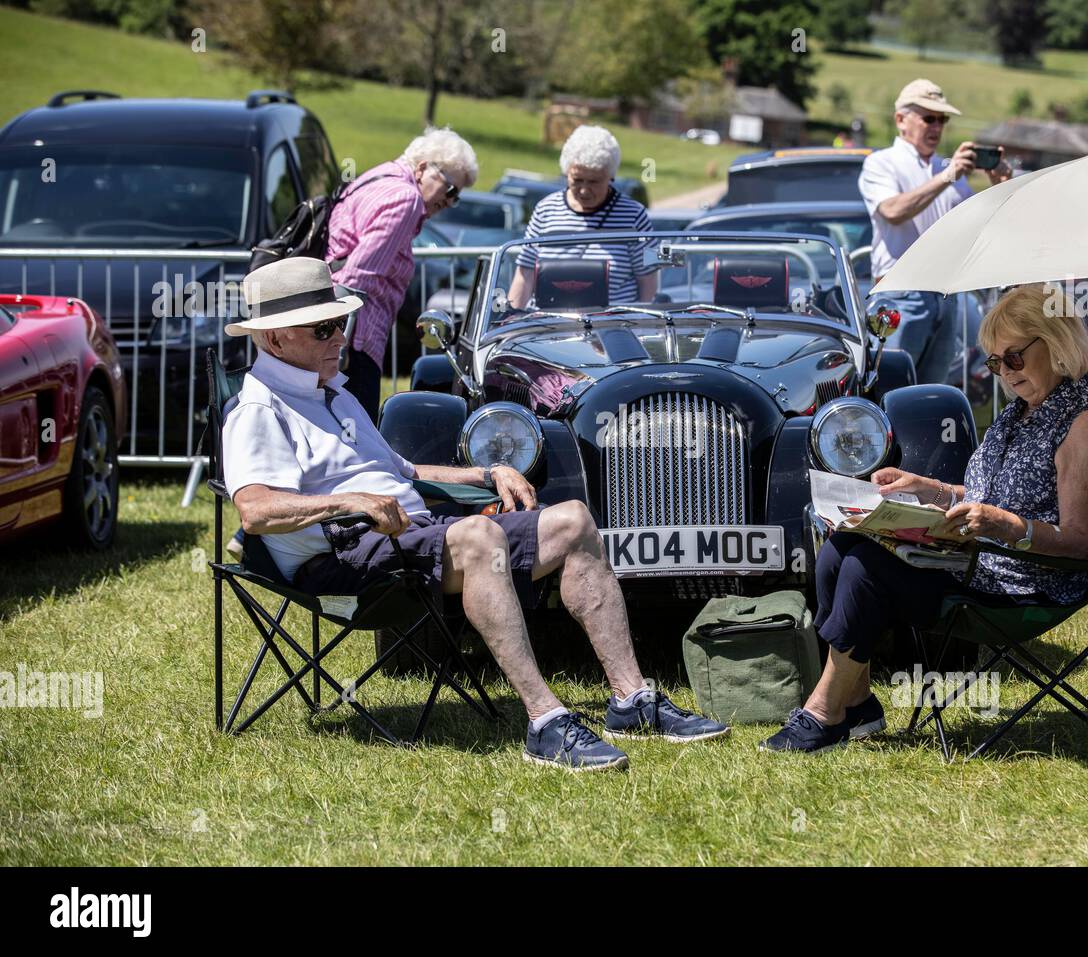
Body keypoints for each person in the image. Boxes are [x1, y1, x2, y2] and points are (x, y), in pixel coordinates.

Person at [223, 258, 729, 771]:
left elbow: (405, 469)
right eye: (325, 327)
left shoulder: (333, 394)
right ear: (276, 340)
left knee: (573, 519)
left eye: (342, 324)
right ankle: (546, 721)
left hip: (411, 537)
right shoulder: (260, 412)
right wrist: (351, 502)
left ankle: (631, 701)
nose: (340, 338)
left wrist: (487, 474)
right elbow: (257, 509)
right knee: (480, 535)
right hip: (346, 555)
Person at [760, 284, 1088, 754]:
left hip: (1022, 583)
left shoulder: (1086, 423)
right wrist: (923, 487)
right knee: (840, 550)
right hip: (975, 559)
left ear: (1056, 341)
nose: (1005, 373)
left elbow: (1080, 542)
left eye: (1013, 357)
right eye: (994, 362)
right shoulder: (1024, 411)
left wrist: (1005, 525)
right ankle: (860, 702)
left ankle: (825, 712)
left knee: (866, 571)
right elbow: (989, 494)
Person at [859, 79, 1012, 384]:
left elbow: (985, 226)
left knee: (931, 397)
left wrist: (1002, 184)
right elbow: (892, 211)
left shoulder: (946, 170)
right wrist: (948, 175)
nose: (937, 126)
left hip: (945, 293)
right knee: (891, 389)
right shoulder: (881, 163)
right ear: (901, 120)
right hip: (902, 292)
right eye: (929, 118)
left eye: (942, 119)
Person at [327, 127, 477, 423]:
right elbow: (357, 277)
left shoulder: (377, 176)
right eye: (450, 190)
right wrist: (335, 345)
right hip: (354, 341)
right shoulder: (406, 198)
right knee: (358, 442)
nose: (449, 201)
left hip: (339, 333)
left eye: (456, 197)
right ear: (423, 168)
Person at [507, 125, 657, 308]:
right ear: (566, 173)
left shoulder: (635, 215)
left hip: (611, 326)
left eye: (594, 181)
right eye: (577, 180)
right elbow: (525, 273)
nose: (584, 190)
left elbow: (648, 280)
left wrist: (643, 325)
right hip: (548, 327)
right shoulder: (545, 209)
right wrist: (510, 319)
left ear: (611, 176)